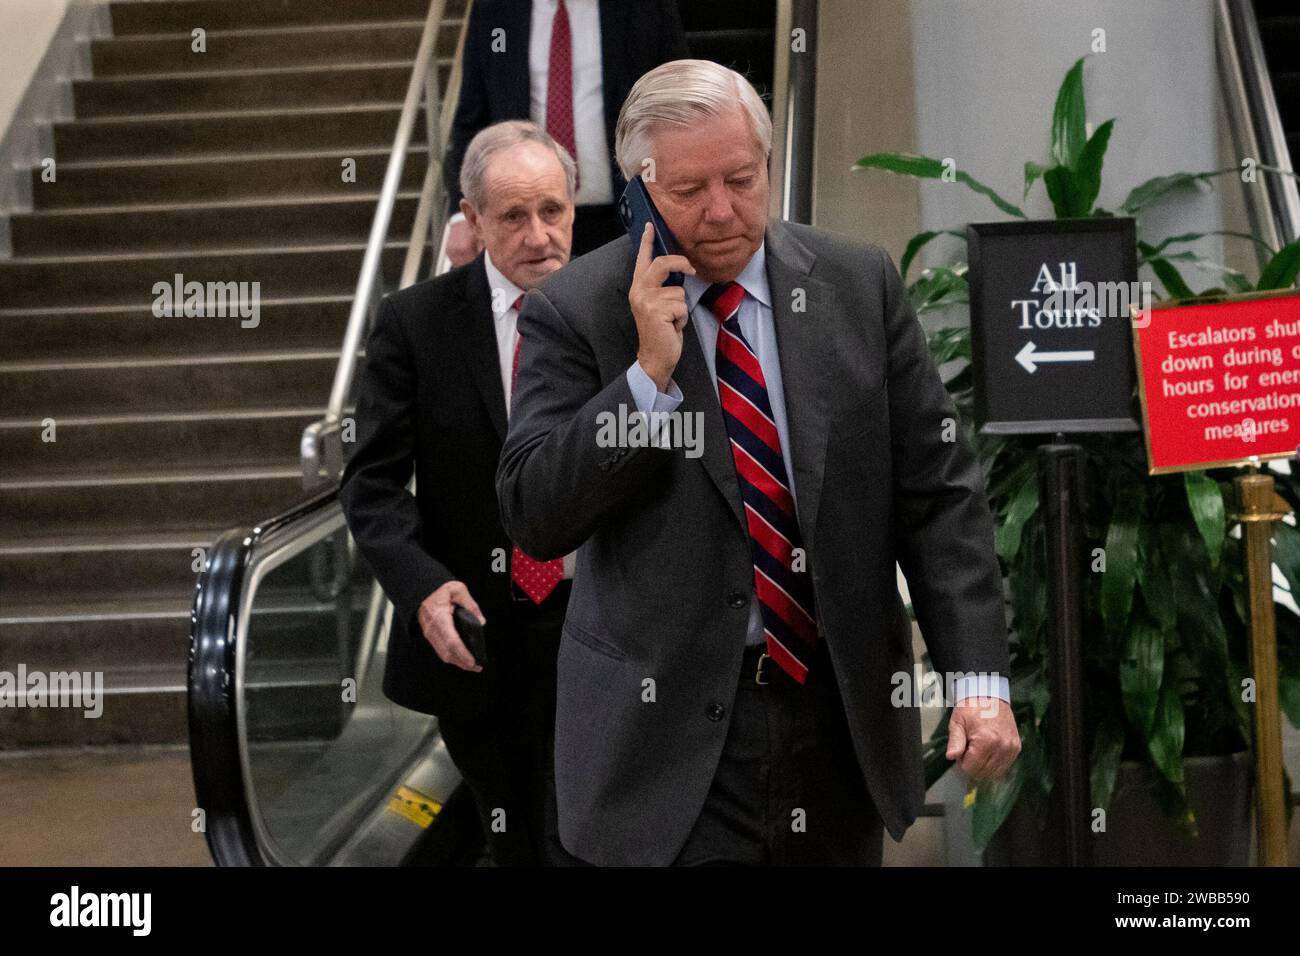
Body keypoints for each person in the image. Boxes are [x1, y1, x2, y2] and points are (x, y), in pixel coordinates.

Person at [496, 60, 1021, 866]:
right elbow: (536, 512)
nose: (721, 211)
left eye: (742, 180)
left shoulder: (857, 285)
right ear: (638, 190)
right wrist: (645, 379)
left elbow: (939, 493)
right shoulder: (578, 308)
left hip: (833, 719)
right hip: (663, 739)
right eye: (687, 190)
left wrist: (977, 680)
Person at [341, 120, 577, 866]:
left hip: (601, 631)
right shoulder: (415, 324)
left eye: (554, 210)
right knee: (516, 840)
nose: (540, 235)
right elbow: (371, 484)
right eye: (513, 216)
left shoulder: (623, 310)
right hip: (477, 641)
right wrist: (421, 585)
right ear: (471, 220)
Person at [443, 0, 689, 264]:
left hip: (628, 211)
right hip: (529, 223)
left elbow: (679, 103)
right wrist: (461, 213)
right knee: (538, 304)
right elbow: (473, 119)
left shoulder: (647, 8)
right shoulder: (495, 12)